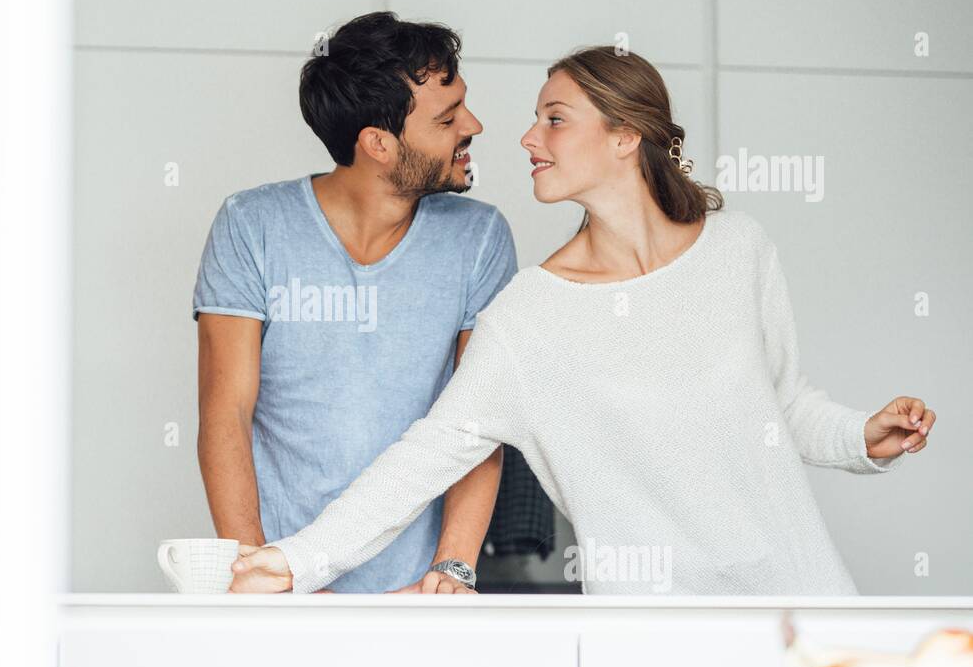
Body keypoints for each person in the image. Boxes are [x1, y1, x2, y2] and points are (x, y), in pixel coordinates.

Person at [230, 46, 936, 595]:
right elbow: (420, 460)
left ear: (625, 135)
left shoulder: (737, 248)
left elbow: (782, 403)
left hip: (800, 606)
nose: (528, 138)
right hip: (647, 648)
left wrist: (862, 436)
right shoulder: (528, 319)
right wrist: (288, 562)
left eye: (554, 119)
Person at [194, 12, 518, 593]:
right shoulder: (251, 225)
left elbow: (478, 420)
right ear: (378, 144)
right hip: (280, 578)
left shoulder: (481, 238)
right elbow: (225, 413)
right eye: (447, 118)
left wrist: (451, 571)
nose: (473, 125)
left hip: (416, 593)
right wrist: (260, 573)